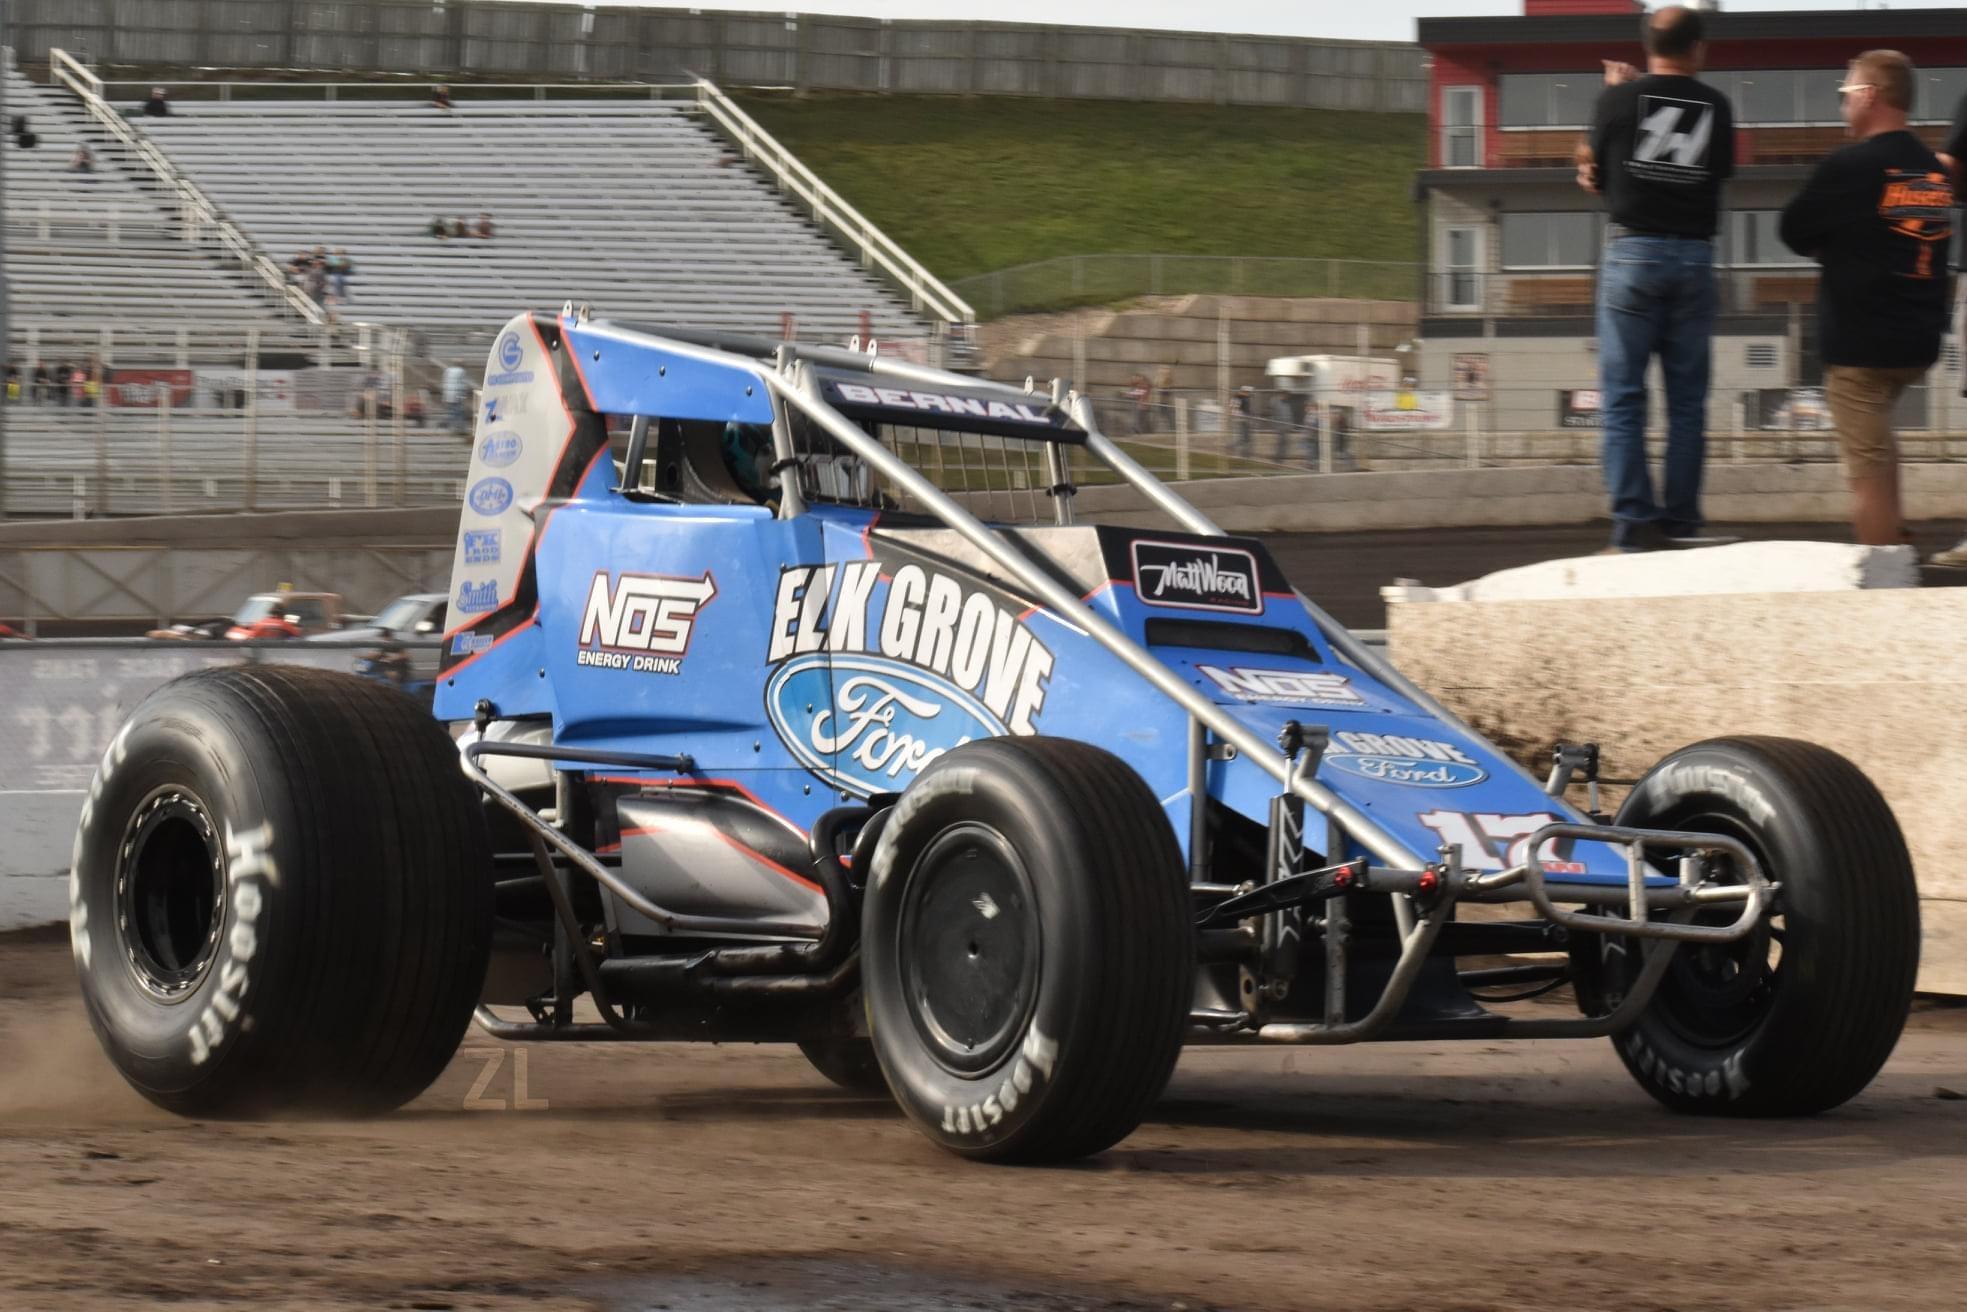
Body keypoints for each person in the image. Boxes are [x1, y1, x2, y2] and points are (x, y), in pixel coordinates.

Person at [1576, 5, 1736, 552]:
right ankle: (1683, 521)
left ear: (1647, 45)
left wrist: (1620, 92)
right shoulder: (1718, 105)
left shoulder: (1616, 99)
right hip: (1694, 257)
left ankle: (1634, 524)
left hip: (1632, 254)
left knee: (1623, 397)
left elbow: (1591, 173)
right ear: (1698, 50)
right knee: (1688, 402)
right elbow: (1715, 174)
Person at [1780, 52, 1953, 548]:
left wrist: (1836, 245)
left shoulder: (1851, 164)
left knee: (1866, 472)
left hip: (1861, 345)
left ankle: (1885, 576)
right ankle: (1897, 538)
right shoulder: (1931, 169)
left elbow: (1792, 228)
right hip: (1917, 339)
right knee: (1879, 442)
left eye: (1846, 92)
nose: (1841, 103)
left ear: (1870, 96)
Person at [442, 362, 469, 432]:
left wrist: (444, 396)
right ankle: (459, 427)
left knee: (452, 410)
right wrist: (463, 395)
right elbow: (462, 383)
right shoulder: (461, 371)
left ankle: (451, 425)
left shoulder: (448, 370)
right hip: (457, 393)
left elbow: (445, 382)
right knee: (458, 411)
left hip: (448, 393)